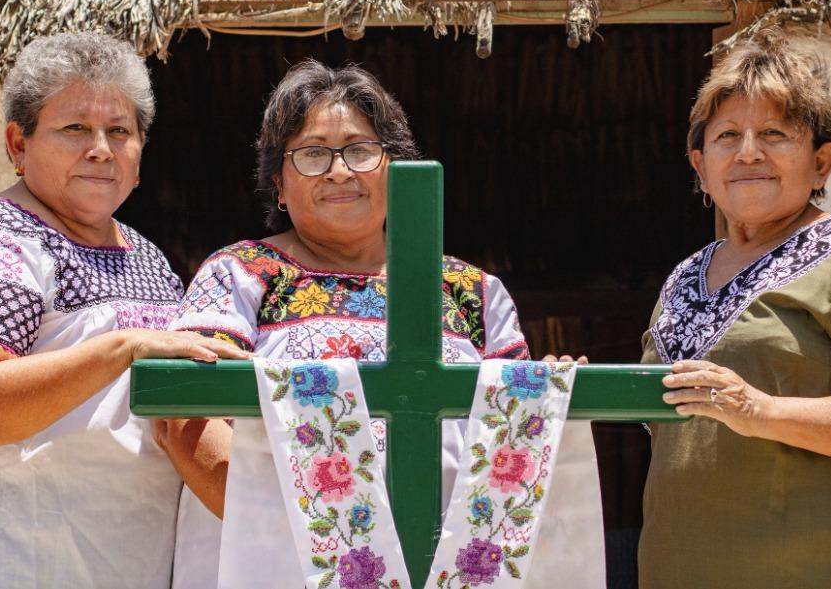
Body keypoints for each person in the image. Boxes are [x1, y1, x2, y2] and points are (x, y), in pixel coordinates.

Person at [155, 59, 606, 588]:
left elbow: (518, 434)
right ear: (278, 182)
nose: (340, 171)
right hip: (279, 564)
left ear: (396, 169)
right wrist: (325, 547)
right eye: (313, 154)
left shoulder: (472, 292)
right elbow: (183, 420)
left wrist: (550, 393)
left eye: (361, 150)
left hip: (446, 571)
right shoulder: (240, 275)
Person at [0, 33, 246, 589]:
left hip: (125, 561)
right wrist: (124, 348)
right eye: (75, 128)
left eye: (119, 131)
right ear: (17, 145)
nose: (100, 148)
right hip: (12, 562)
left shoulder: (144, 255)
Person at [639, 30, 831, 588]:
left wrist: (758, 411)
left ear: (822, 162)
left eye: (774, 133)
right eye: (728, 135)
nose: (749, 150)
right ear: (701, 167)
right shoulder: (684, 277)